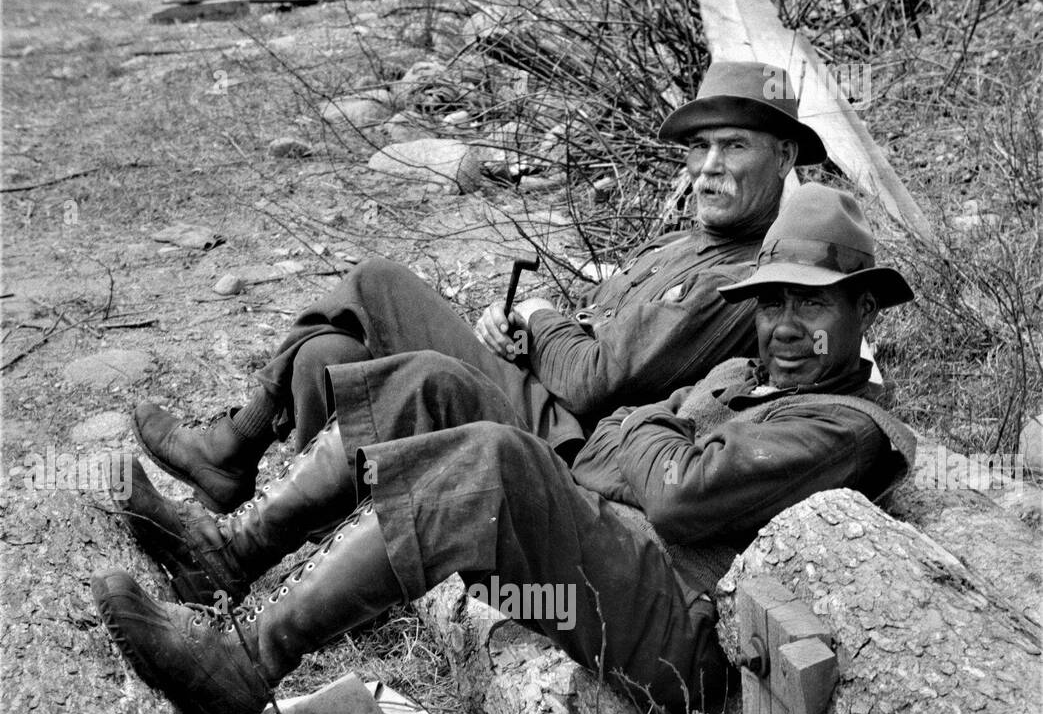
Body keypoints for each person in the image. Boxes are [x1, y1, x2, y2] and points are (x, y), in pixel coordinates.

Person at [93, 184, 916, 714]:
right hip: (614, 533)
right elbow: (627, 438)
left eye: (810, 302)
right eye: (771, 300)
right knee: (432, 383)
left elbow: (671, 494)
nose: (782, 325)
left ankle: (249, 664)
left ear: (864, 309)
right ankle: (227, 557)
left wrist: (640, 434)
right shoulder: (744, 375)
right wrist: (641, 436)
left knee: (490, 459)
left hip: (679, 624)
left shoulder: (843, 426)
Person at [128, 61, 825, 514]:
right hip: (533, 392)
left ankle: (234, 449)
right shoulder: (685, 241)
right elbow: (592, 328)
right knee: (323, 359)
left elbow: (592, 383)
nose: (707, 168)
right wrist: (516, 332)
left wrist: (539, 311)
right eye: (699, 149)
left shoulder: (747, 276)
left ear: (785, 156)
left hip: (562, 441)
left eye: (733, 147)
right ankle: (321, 519)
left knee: (379, 283)